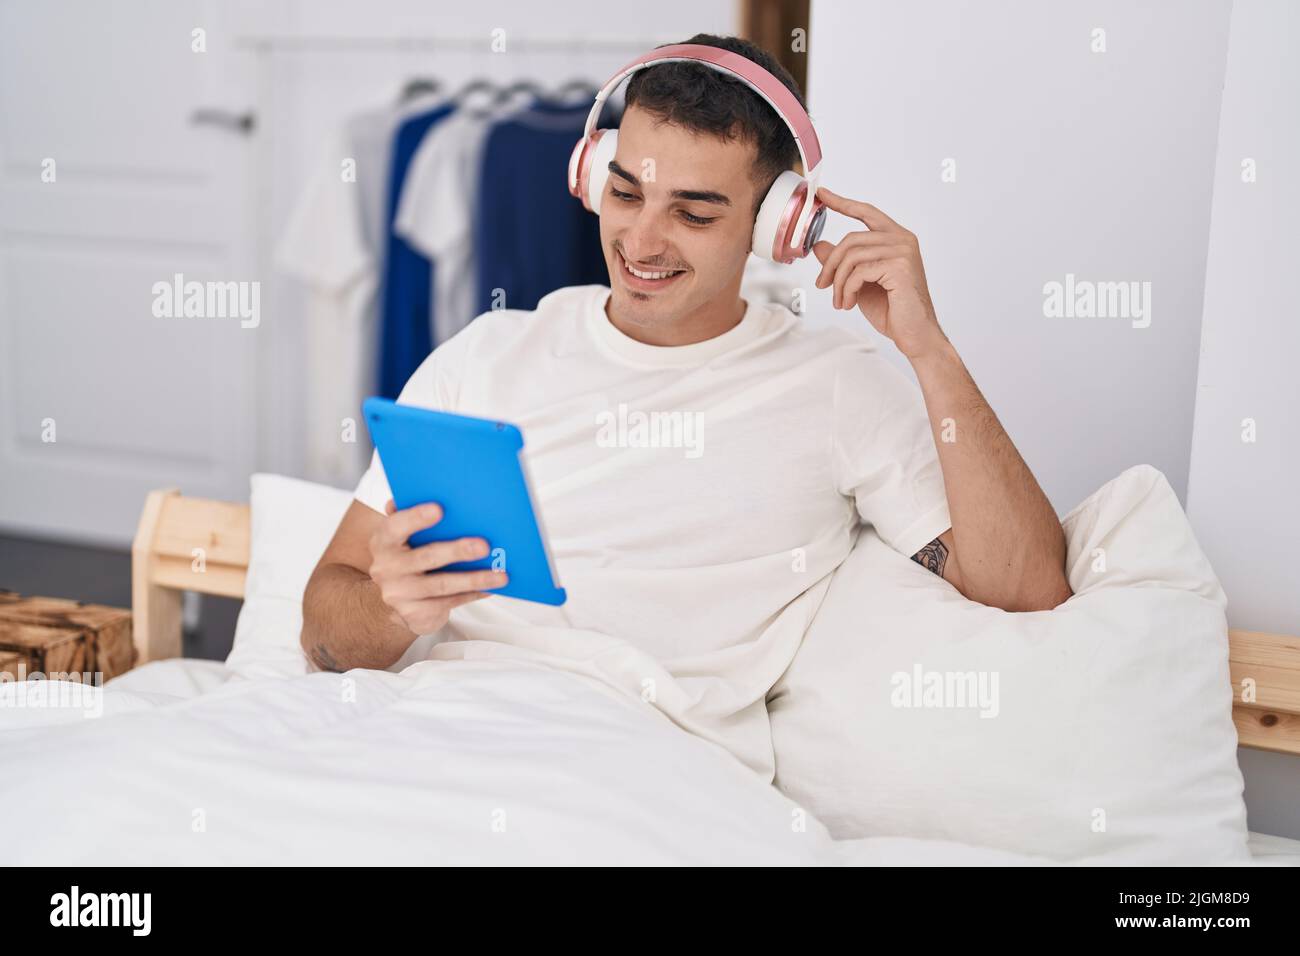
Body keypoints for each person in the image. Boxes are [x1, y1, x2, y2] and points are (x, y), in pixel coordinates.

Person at [301, 33, 1072, 782]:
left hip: (642, 775)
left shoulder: (838, 386)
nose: (642, 239)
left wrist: (929, 347)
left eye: (694, 214)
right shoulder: (485, 354)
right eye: (626, 192)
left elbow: (1028, 589)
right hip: (430, 740)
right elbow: (322, 630)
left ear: (777, 229)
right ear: (592, 172)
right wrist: (391, 611)